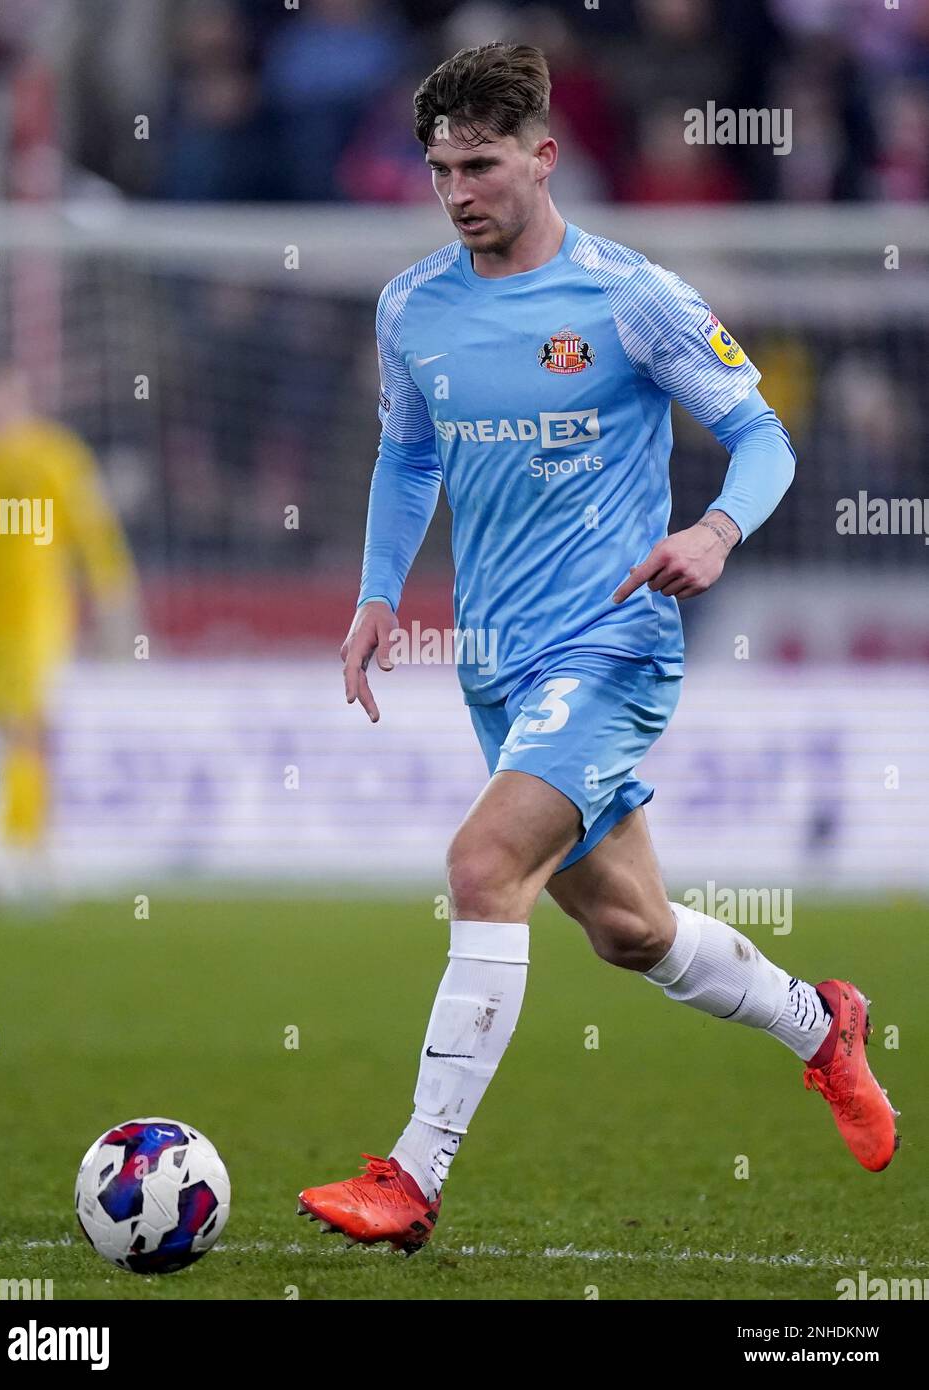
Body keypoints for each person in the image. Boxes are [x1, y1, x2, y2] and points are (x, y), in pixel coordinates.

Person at [297, 42, 900, 1255]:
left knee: (480, 868)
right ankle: (818, 1020)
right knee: (631, 930)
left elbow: (762, 436)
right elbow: (409, 457)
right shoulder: (411, 305)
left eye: (479, 164)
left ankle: (411, 1176)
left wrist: (717, 530)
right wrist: (374, 595)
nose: (457, 190)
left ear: (540, 156)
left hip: (613, 645)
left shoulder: (629, 297)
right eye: (437, 170)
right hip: (494, 661)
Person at [0, 361, 136, 902]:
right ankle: (37, 844)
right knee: (15, 735)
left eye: (8, 402)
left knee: (23, 729)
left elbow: (93, 533)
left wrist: (113, 600)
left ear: (25, 402)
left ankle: (14, 853)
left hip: (39, 618)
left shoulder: (55, 457)